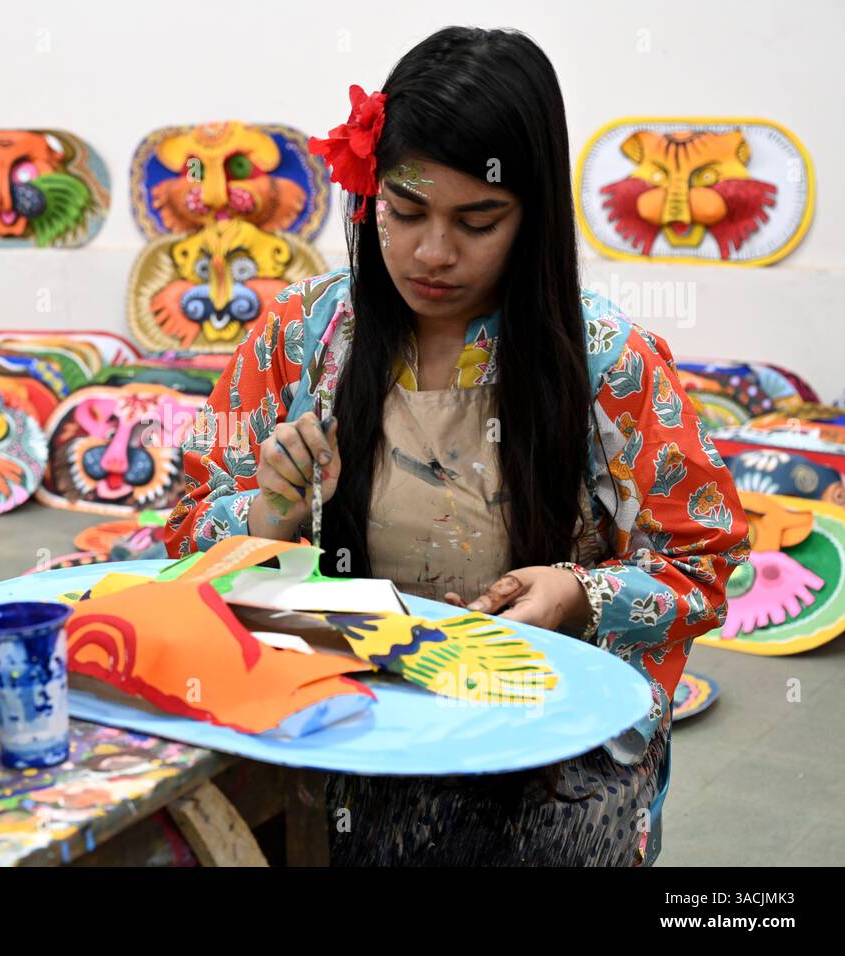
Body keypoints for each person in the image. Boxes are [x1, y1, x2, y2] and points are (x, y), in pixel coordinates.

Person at [165, 26, 750, 865]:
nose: (431, 253)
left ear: (534, 215)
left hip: (540, 735)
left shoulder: (608, 364)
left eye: (478, 221)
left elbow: (702, 560)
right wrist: (266, 515)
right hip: (341, 709)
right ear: (370, 196)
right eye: (404, 212)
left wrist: (577, 594)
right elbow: (183, 525)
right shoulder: (300, 337)